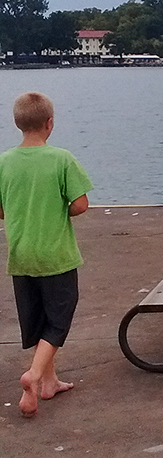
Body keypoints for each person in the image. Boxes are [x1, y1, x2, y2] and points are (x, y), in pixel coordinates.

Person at [0, 92, 92, 417]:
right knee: (58, 320)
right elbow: (80, 204)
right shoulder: (61, 159)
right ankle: (34, 376)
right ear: (50, 123)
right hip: (56, 256)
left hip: (22, 256)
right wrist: (58, 209)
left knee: (37, 319)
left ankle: (50, 382)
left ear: (17, 123)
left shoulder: (4, 161)